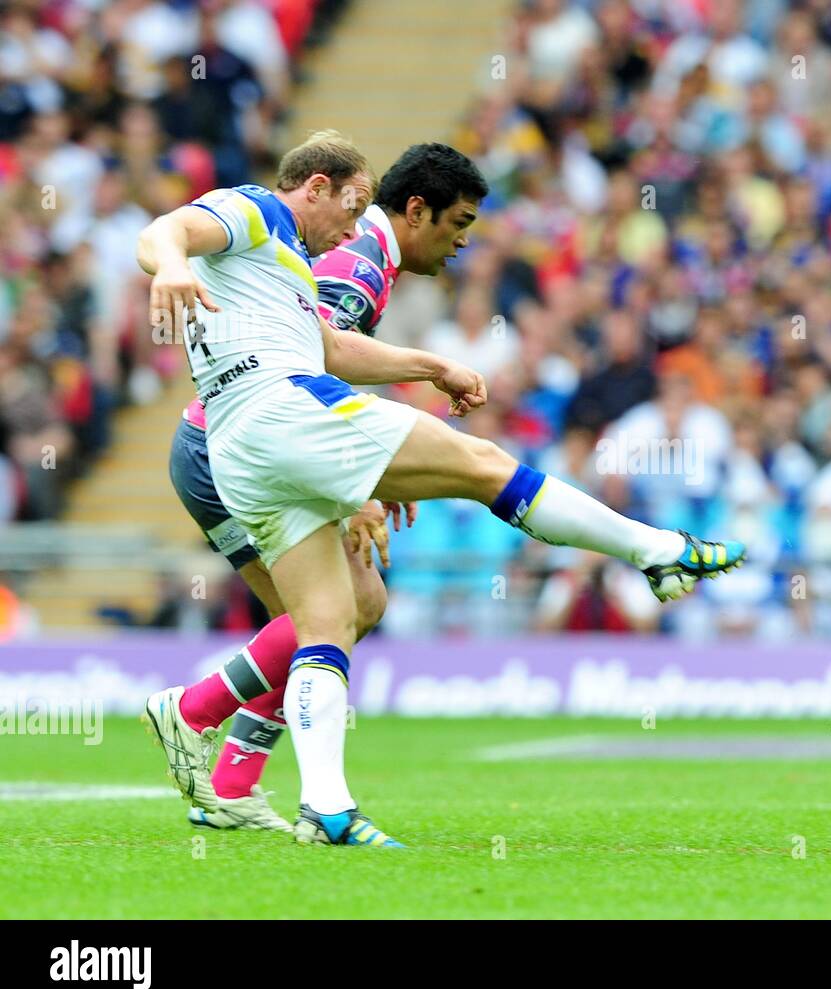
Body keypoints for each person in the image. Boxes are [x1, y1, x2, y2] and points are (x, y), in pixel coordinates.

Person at [138, 132, 746, 847]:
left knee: (334, 617)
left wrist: (433, 368)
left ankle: (314, 806)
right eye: (353, 204)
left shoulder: (298, 266)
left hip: (242, 444)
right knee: (485, 466)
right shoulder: (284, 223)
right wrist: (171, 268)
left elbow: (328, 346)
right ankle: (656, 549)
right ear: (320, 188)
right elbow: (166, 230)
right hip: (274, 420)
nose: (355, 223)